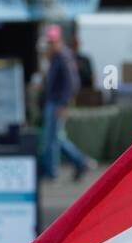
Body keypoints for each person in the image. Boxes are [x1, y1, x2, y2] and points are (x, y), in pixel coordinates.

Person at [39, 24, 94, 181]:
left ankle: (54, 170)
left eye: (52, 41)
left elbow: (72, 83)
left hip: (57, 103)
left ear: (59, 40)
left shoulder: (63, 56)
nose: (50, 44)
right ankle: (80, 162)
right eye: (49, 41)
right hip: (53, 102)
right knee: (56, 138)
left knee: (53, 139)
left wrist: (63, 104)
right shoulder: (55, 57)